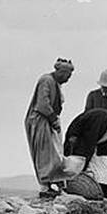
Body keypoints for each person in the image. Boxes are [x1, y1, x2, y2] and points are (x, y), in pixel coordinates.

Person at [26, 58, 74, 196]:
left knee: (55, 153)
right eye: (68, 76)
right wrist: (53, 119)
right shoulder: (46, 80)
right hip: (40, 121)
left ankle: (54, 183)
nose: (68, 79)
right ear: (62, 72)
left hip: (50, 120)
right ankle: (46, 186)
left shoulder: (56, 84)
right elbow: (42, 104)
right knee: (45, 154)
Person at [62, 107, 107, 194]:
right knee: (75, 166)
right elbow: (79, 122)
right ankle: (69, 185)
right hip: (81, 144)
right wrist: (73, 135)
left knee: (103, 166)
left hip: (96, 151)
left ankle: (103, 188)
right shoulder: (100, 116)